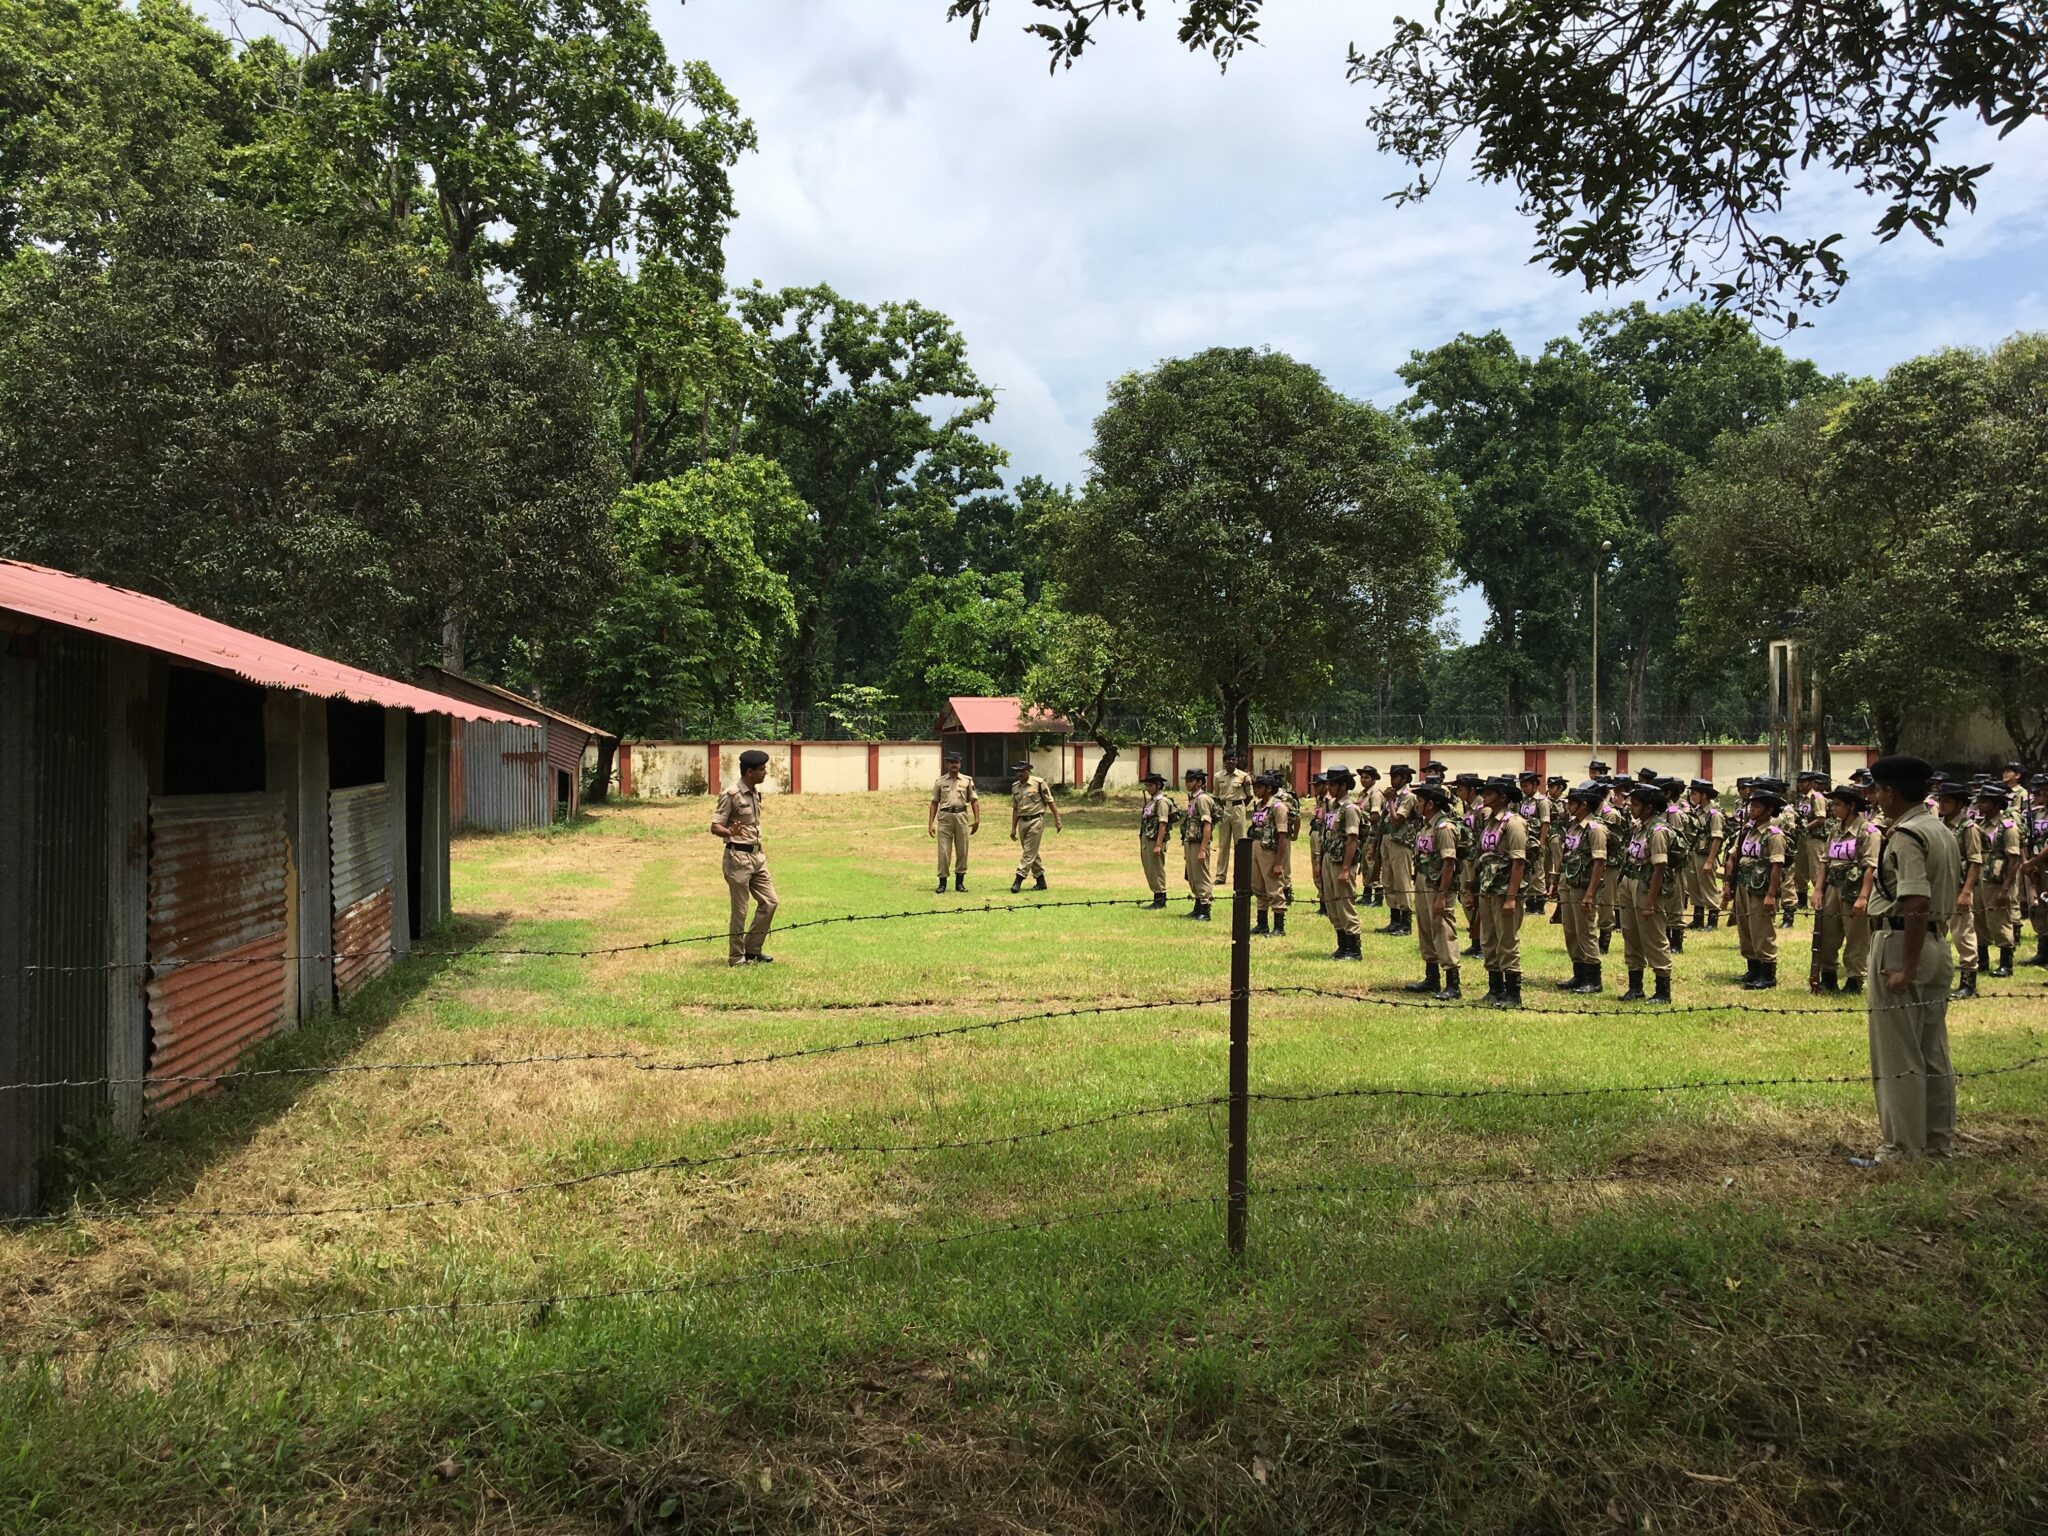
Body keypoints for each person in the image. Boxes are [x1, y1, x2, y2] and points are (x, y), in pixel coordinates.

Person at [1853, 754, 1962, 1166]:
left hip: (1903, 940)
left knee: (1898, 1053)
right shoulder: (1939, 828)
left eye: (1878, 790)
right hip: (1936, 942)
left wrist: (1907, 967)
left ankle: (1901, 1149)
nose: (1875, 797)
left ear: (1891, 792)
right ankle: (1936, 1142)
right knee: (1932, 1047)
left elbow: (1915, 899)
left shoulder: (1907, 835)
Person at [709, 748, 779, 967]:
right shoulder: (731, 795)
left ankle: (753, 949)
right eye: (762, 769)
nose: (765, 773)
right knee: (740, 910)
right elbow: (715, 826)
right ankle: (736, 957)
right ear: (750, 772)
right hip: (737, 857)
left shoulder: (755, 793)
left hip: (757, 856)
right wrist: (730, 832)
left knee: (770, 902)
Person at [1813, 783, 1881, 993]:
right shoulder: (1835, 829)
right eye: (1833, 805)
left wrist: (1863, 897)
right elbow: (1825, 861)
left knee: (1856, 937)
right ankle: (1828, 976)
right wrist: (1818, 890)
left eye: (1838, 805)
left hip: (1855, 890)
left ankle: (1854, 979)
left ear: (1852, 806)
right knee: (1828, 933)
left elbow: (1871, 866)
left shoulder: (1869, 832)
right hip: (1833, 887)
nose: (1833, 809)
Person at [1614, 783, 1675, 1004]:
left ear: (1649, 807)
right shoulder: (1640, 827)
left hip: (1648, 887)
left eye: (1636, 804)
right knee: (1630, 934)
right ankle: (1635, 986)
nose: (1631, 807)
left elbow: (1660, 867)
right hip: (1631, 882)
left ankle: (1662, 990)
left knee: (1653, 936)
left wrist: (1650, 901)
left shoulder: (1658, 831)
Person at [1472, 777, 1529, 1008]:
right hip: (1488, 889)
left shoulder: (1513, 823)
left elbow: (1518, 862)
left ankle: (1513, 993)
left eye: (1490, 792)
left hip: (1505, 890)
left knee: (1506, 940)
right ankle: (1495, 988)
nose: (1484, 795)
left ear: (1503, 797)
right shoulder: (1489, 822)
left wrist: (1511, 898)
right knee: (1488, 939)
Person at [1406, 780, 1464, 999]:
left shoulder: (1444, 828)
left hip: (1438, 886)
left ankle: (1452, 983)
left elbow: (1449, 863)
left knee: (1442, 929)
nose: (1416, 805)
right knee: (1426, 927)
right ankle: (1431, 977)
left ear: (1430, 804)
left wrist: (1442, 895)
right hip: (1423, 881)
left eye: (1420, 801)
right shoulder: (1426, 826)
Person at [1727, 787, 1787, 988]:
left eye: (1756, 806)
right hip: (1744, 885)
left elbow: (1777, 866)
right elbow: (1734, 856)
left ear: (1769, 810)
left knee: (1761, 930)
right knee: (1745, 929)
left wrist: (1771, 894)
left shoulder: (1773, 835)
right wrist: (1729, 884)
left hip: (1761, 889)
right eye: (1751, 805)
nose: (1751, 809)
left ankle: (1767, 973)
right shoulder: (1747, 831)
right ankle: (1752, 969)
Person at [1556, 782, 1609, 994]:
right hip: (1568, 883)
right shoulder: (1573, 826)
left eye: (1572, 803)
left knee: (1586, 931)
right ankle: (1578, 973)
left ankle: (1593, 978)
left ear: (1584, 805)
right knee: (1571, 931)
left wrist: (1590, 893)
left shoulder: (1595, 829)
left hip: (1584, 886)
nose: (1568, 806)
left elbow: (1599, 862)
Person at [1935, 781, 1983, 998]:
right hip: (1940, 887)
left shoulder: (1968, 828)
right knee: (1937, 932)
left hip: (1958, 887)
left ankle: (1968, 982)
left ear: (1960, 804)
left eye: (1947, 801)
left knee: (1963, 935)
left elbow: (1975, 861)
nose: (1941, 805)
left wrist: (1965, 892)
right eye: (1940, 800)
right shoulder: (1939, 824)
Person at [1975, 783, 2022, 978]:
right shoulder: (1979, 825)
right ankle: (1982, 960)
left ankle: (2006, 963)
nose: (1980, 805)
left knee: (2000, 921)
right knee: (1979, 920)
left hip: (1998, 881)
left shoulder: (2007, 828)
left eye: (1985, 802)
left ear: (1996, 804)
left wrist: (2005, 889)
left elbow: (2014, 859)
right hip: (1980, 879)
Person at [1320, 765, 1364, 959]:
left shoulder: (1350, 809)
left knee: (1345, 902)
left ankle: (1354, 948)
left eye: (1333, 784)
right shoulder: (1332, 807)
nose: (1329, 788)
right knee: (1331, 903)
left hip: (1342, 861)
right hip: (1330, 858)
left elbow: (1352, 839)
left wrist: (1346, 868)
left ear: (1343, 786)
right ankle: (1342, 944)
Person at [928, 749, 980, 893]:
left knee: (962, 849)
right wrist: (931, 824)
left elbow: (974, 801)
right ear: (947, 764)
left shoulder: (967, 781)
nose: (954, 765)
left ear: (960, 764)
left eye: (956, 762)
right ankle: (942, 882)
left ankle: (960, 882)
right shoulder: (940, 782)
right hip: (944, 817)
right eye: (951, 762)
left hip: (961, 816)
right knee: (944, 851)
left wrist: (977, 820)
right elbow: (934, 803)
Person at [1007, 759, 1062, 893]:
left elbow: (1050, 801)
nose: (1019, 774)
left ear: (1028, 771)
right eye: (1017, 771)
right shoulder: (1015, 787)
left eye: (1022, 771)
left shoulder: (1038, 783)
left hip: (1036, 820)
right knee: (1032, 852)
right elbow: (1015, 808)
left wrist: (1057, 819)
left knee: (1028, 852)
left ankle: (1018, 879)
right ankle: (1040, 881)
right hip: (1022, 822)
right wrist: (1013, 828)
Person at [1248, 772, 1293, 935]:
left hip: (1270, 851)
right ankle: (1262, 923)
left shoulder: (1278, 807)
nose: (1255, 790)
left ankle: (1279, 927)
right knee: (1258, 887)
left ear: (1269, 789)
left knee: (1274, 887)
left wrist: (1279, 862)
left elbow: (1282, 835)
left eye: (1259, 787)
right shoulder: (1259, 806)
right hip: (1257, 846)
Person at [1379, 764, 1420, 936]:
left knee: (1402, 880)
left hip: (1401, 842)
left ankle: (1406, 922)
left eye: (1395, 777)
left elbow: (1397, 820)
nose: (1391, 780)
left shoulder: (1407, 797)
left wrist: (1388, 800)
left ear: (1404, 778)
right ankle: (1394, 919)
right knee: (1388, 879)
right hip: (1388, 840)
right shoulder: (1395, 796)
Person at [1684, 779, 1726, 930]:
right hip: (1694, 853)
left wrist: (1710, 860)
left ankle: (1712, 921)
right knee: (1694, 886)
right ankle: (1698, 919)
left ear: (1704, 795)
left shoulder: (1714, 815)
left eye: (1694, 794)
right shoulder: (1696, 811)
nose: (1692, 796)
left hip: (1706, 855)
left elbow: (1717, 838)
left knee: (1708, 887)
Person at [1211, 750, 1254, 887]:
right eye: (1228, 759)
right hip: (1223, 809)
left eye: (1233, 759)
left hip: (1238, 808)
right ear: (1224, 761)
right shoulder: (1218, 777)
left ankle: (1241, 875)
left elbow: (1250, 796)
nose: (1230, 762)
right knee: (1223, 844)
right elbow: (1216, 796)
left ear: (1237, 761)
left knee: (1240, 843)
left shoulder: (1244, 776)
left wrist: (1240, 807)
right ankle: (1220, 875)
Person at [1792, 768, 1830, 922]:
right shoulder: (1801, 798)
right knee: (1800, 869)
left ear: (1811, 783)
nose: (1801, 785)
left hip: (1814, 838)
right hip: (1801, 838)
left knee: (1815, 869)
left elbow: (1821, 818)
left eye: (1804, 782)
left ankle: (1821, 899)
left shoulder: (1817, 797)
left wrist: (1805, 827)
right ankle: (1801, 900)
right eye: (1799, 782)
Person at [1180, 766, 1216, 920]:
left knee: (1201, 875)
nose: (1188, 783)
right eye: (1187, 780)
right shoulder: (1193, 798)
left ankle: (1205, 909)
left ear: (1200, 782)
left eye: (1191, 780)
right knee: (1193, 875)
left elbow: (1207, 825)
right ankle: (1197, 906)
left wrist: (1203, 849)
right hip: (1190, 841)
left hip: (1199, 842)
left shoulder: (1202, 799)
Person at [1515, 770, 1552, 915]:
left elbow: (1545, 823)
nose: (1524, 788)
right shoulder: (1523, 801)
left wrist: (1541, 843)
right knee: (1527, 872)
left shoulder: (1541, 802)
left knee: (1538, 872)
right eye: (1522, 786)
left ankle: (1539, 904)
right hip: (1525, 841)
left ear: (1535, 785)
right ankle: (1529, 903)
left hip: (1536, 841)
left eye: (1526, 785)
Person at [1138, 770, 1174, 909]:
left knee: (1156, 869)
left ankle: (1160, 898)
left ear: (1158, 786)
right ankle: (1156, 895)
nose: (1147, 788)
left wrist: (1158, 844)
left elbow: (1163, 823)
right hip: (1147, 838)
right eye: (1146, 785)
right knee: (1149, 868)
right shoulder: (1151, 801)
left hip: (1155, 840)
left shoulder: (1162, 802)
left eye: (1150, 785)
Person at [2022, 775, 2048, 968]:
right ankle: (2043, 951)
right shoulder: (2037, 813)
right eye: (2041, 790)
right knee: (2039, 908)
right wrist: (2028, 862)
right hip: (2038, 867)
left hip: (2041, 862)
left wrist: (2032, 862)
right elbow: (2027, 838)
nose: (2042, 794)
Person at [1356, 766, 1386, 907]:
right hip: (1363, 834)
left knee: (1372, 864)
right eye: (1362, 777)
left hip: (1372, 833)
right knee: (1365, 865)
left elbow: (1375, 815)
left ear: (1373, 779)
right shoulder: (1363, 794)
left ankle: (1378, 896)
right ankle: (1366, 895)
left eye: (1367, 777)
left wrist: (1362, 818)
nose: (1363, 780)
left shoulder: (1375, 794)